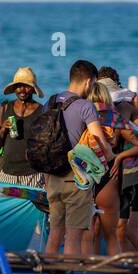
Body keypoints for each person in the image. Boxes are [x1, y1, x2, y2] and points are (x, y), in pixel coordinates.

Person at [43, 60, 113, 256]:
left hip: (52, 179)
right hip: (77, 180)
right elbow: (101, 143)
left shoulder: (49, 102)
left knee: (55, 235)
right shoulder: (85, 106)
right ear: (88, 81)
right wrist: (110, 156)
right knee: (74, 238)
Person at [98, 66, 138, 253]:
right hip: (129, 172)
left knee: (126, 231)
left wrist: (137, 103)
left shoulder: (124, 108)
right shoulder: (92, 109)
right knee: (126, 232)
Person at [85, 81, 138, 255]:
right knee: (110, 234)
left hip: (85, 178)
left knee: (90, 232)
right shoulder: (114, 118)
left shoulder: (82, 114)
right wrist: (119, 156)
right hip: (109, 179)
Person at [0, 66, 45, 188]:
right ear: (14, 88)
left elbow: (44, 144)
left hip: (32, 174)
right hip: (7, 173)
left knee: (32, 207)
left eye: (26, 86)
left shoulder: (41, 111)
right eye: (18, 86)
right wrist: (2, 130)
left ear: (33, 89)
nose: (22, 90)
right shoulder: (5, 108)